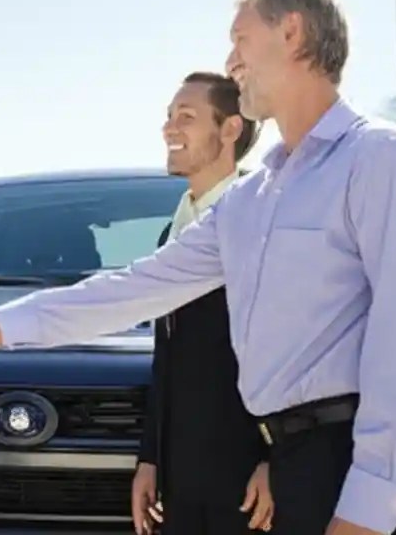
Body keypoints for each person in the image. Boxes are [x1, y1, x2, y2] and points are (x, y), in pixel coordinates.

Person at [0, 0, 396, 535]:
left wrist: (366, 512)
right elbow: (129, 291)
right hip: (296, 471)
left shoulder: (381, 159)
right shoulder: (249, 200)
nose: (231, 61)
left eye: (240, 39)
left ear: (291, 33)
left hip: (360, 475)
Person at [132, 72, 272, 535]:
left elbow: (289, 349)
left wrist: (275, 459)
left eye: (186, 117)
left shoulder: (262, 222)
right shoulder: (171, 233)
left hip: (247, 482)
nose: (169, 128)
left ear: (230, 128)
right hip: (181, 483)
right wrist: (151, 458)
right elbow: (166, 358)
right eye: (169, 116)